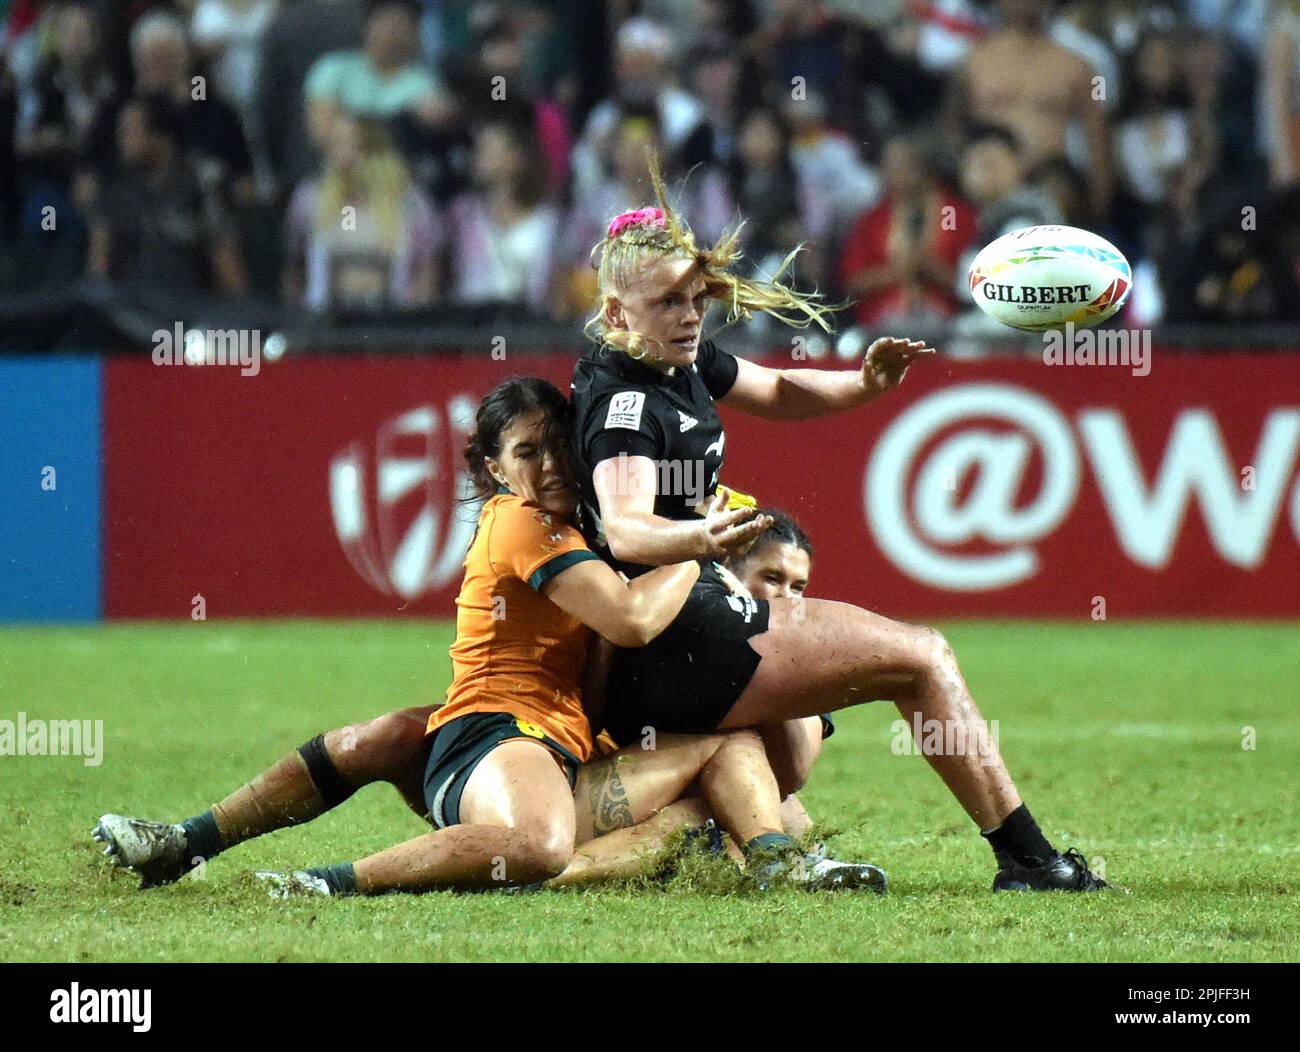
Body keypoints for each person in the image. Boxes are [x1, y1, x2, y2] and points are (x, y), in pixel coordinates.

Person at [94, 379, 884, 894]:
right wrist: (695, 540)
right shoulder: (526, 524)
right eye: (525, 453)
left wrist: (702, 543)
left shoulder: (601, 523)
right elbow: (631, 618)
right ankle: (324, 884)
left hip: (557, 743)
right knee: (538, 838)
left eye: (558, 449)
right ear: (493, 469)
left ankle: (185, 842)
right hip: (503, 740)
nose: (546, 468)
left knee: (745, 804)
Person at [568, 164, 1110, 892]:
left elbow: (781, 389)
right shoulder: (625, 406)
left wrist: (864, 383)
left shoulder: (672, 361)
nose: (692, 314)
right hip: (674, 636)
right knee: (920, 657)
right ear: (616, 314)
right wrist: (706, 539)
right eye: (669, 301)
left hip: (681, 629)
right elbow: (628, 532)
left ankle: (717, 847)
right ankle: (1032, 862)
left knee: (799, 753)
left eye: (698, 296)